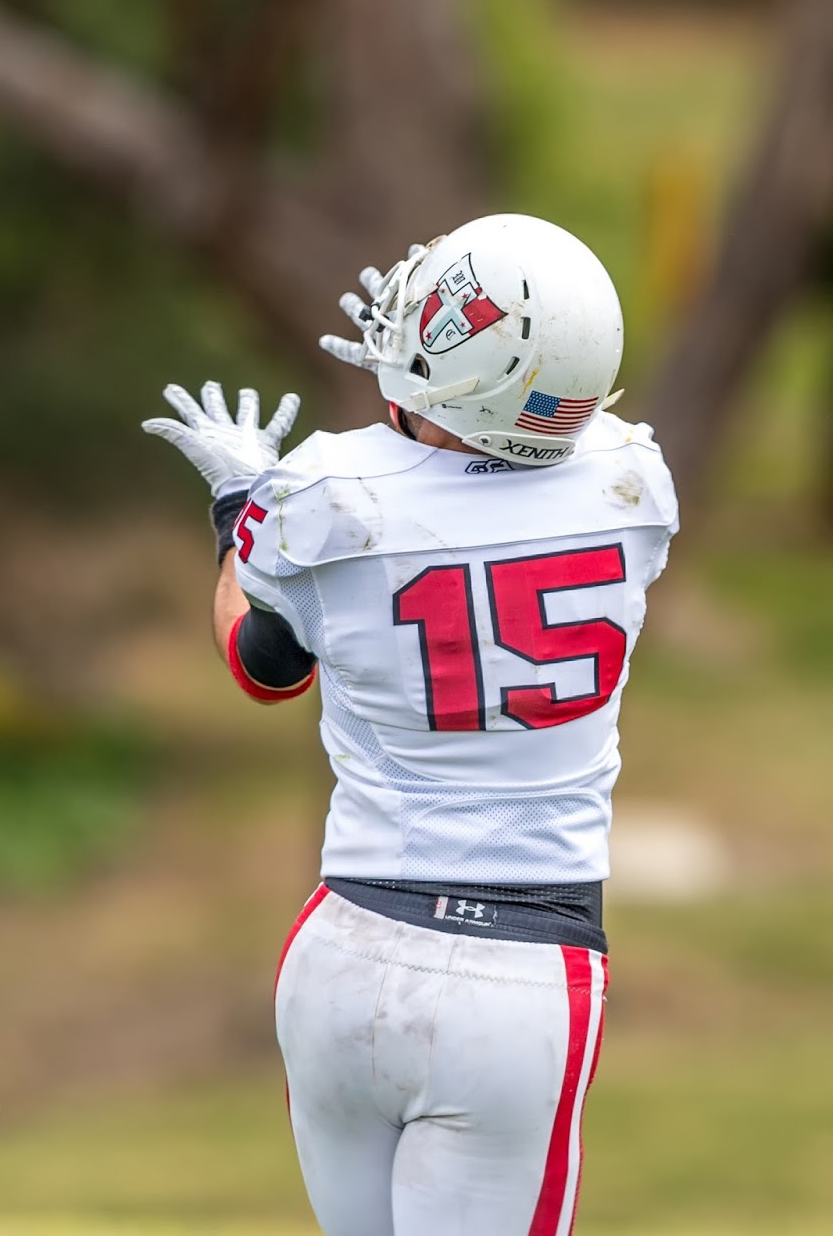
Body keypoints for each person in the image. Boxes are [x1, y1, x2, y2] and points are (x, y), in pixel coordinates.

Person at [143, 213, 678, 1236]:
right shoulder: (635, 488)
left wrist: (238, 506)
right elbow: (532, 440)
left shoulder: (327, 490)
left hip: (345, 949)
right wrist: (444, 376)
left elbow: (264, 670)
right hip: (523, 977)